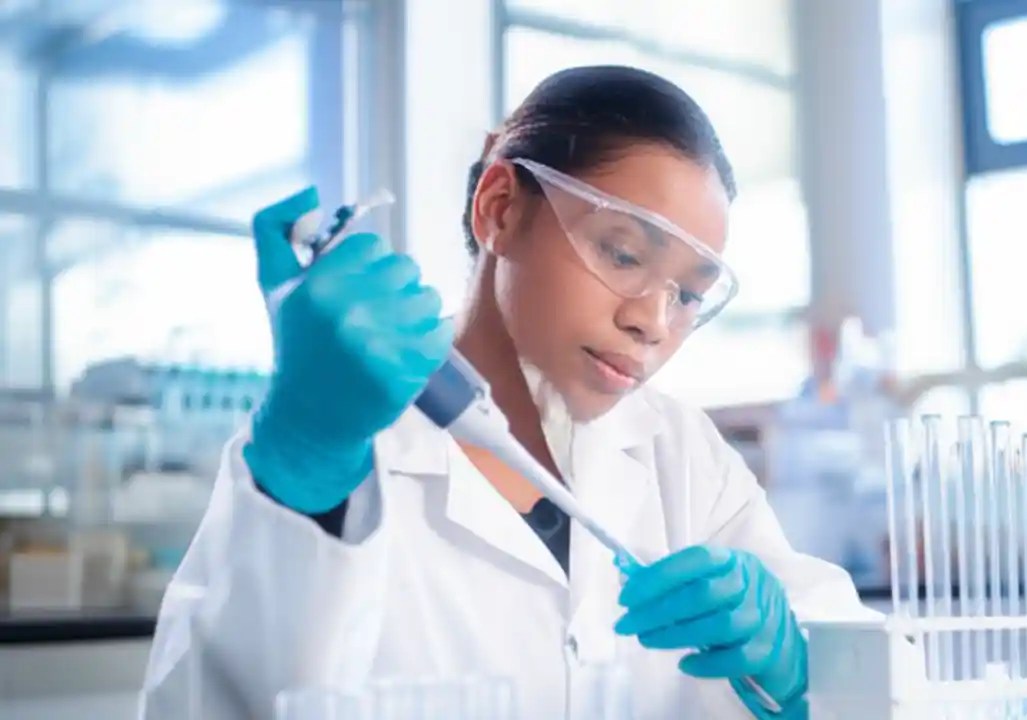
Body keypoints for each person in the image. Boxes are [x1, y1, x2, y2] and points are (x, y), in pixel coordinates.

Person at [139, 65, 874, 719]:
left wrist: (803, 666)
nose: (651, 320)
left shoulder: (683, 456)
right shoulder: (335, 447)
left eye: (687, 295)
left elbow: (871, 687)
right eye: (623, 253)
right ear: (499, 207)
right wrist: (305, 457)